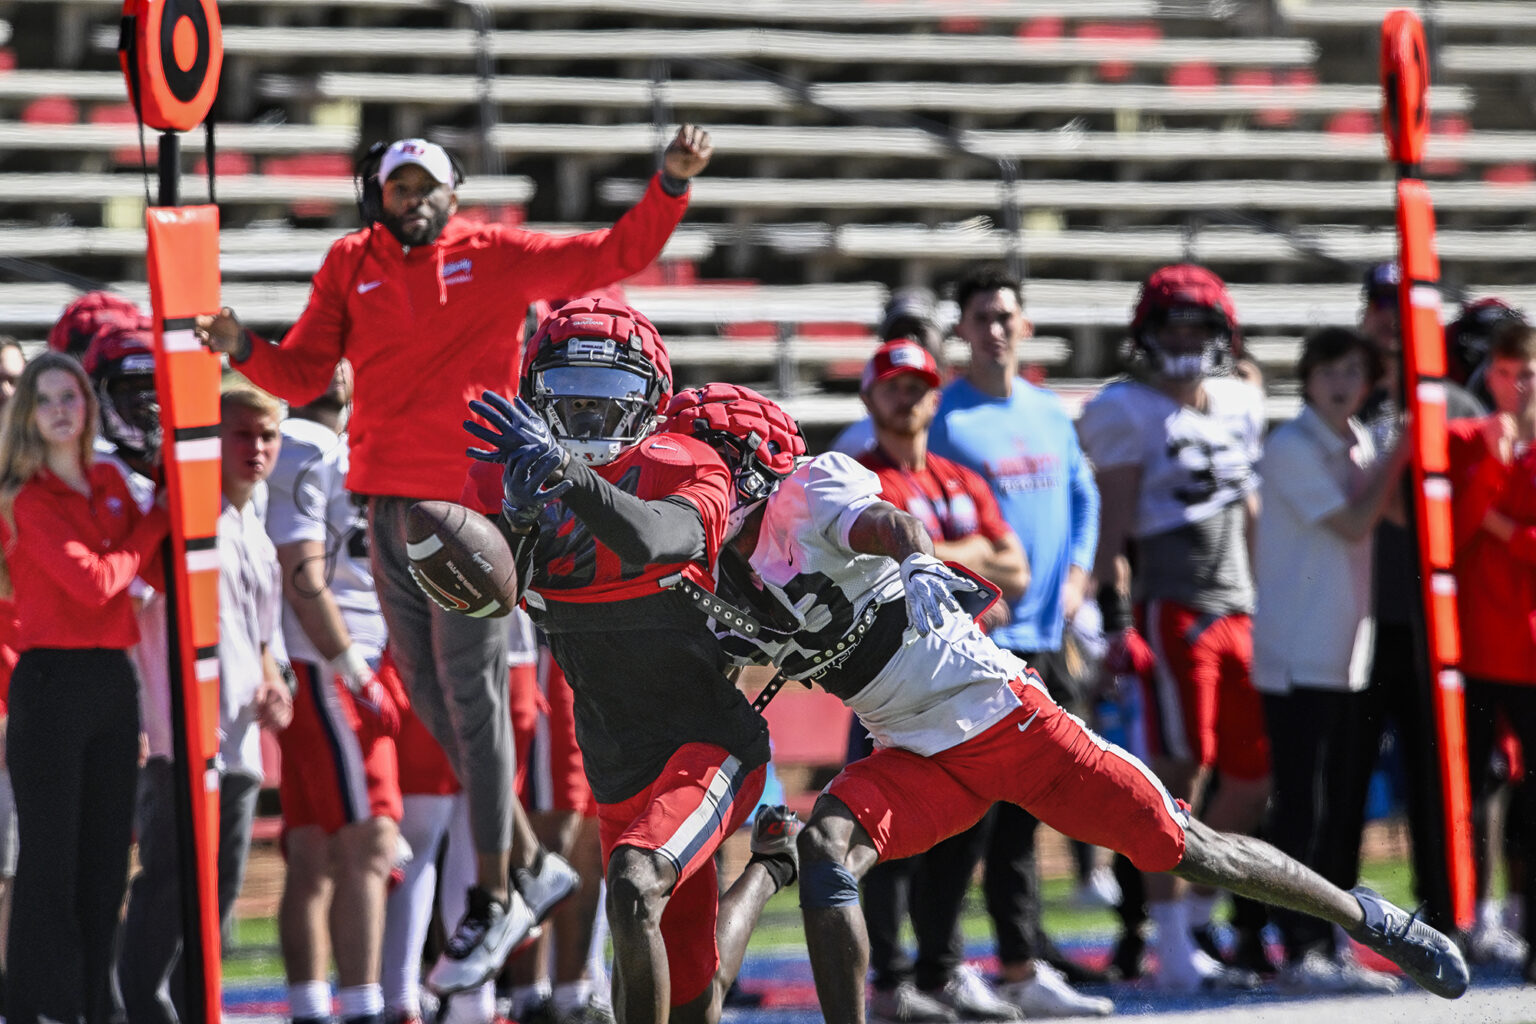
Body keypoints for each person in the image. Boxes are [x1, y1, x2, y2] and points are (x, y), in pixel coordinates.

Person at [659, 385, 1470, 1024]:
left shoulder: (808, 492)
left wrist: (915, 561)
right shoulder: (714, 573)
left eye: (700, 466)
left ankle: (1366, 918)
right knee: (828, 850)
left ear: (749, 460)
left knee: (1193, 850)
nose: (686, 486)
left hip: (1002, 718)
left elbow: (888, 522)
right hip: (909, 746)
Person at [195, 127, 714, 984]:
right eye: (399, 186)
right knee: (428, 692)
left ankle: (497, 887)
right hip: (385, 501)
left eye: (425, 186)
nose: (412, 199)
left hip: (471, 505)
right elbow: (305, 374)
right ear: (379, 192)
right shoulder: (350, 262)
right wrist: (242, 347)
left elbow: (611, 255)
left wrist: (670, 184)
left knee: (470, 696)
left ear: (454, 192)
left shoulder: (493, 253)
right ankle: (528, 862)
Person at [456, 298, 797, 1024]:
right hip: (616, 764)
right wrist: (515, 518)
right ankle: (771, 870)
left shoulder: (685, 461)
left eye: (606, 397)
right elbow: (487, 601)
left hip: (709, 745)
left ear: (651, 400)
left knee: (635, 884)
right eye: (568, 398)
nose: (586, 418)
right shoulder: (509, 478)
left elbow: (651, 539)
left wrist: (565, 477)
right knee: (692, 998)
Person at [852, 339, 1103, 1021]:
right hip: (893, 686)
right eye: (893, 385)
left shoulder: (959, 477)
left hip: (966, 680)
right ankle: (889, 981)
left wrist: (928, 551)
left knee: (971, 833)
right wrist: (968, 559)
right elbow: (883, 565)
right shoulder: (859, 481)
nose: (907, 398)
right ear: (869, 396)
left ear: (936, 397)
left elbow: (1015, 570)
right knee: (887, 834)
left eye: (918, 386)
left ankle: (942, 971)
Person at [1076, 263, 1269, 992]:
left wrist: (1268, 598)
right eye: (1174, 328)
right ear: (1147, 336)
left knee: (1253, 774)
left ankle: (1196, 917)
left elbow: (1250, 511)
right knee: (1179, 770)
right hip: (1175, 607)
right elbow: (1114, 531)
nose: (1186, 341)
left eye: (1199, 328)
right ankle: (1169, 937)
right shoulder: (1126, 410)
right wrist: (1114, 620)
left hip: (1240, 606)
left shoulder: (1239, 400)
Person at [925, 266, 1106, 1008]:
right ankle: (938, 969)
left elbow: (1085, 498)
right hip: (982, 647)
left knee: (1027, 817)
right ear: (962, 331)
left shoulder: (1048, 410)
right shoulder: (947, 418)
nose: (996, 329)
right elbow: (933, 520)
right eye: (982, 317)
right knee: (966, 817)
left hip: (1046, 644)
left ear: (1024, 325)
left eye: (1006, 316)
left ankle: (1021, 967)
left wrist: (1079, 578)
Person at [0, 351, 168, 1024]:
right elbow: (97, 583)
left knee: (106, 864)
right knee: (50, 863)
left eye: (69, 395)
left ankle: (98, 1008)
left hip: (111, 681)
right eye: (44, 399)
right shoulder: (26, 497)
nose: (60, 410)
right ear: (28, 414)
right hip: (49, 684)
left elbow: (140, 571)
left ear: (89, 405)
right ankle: (38, 1009)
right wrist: (157, 521)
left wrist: (157, 514)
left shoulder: (110, 481)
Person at [1252, 326, 1407, 993]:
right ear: (1307, 379)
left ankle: (1325, 939)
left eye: (1353, 371)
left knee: (1340, 805)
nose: (1342, 384)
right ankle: (1296, 944)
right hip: (1297, 652)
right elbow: (1352, 521)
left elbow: (1391, 514)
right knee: (1301, 807)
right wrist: (1401, 452)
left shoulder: (1360, 440)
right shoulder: (1291, 445)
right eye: (1329, 371)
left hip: (1348, 649)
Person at [267, 360, 407, 1024]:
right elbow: (302, 572)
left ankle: (310, 1006)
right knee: (370, 839)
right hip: (329, 661)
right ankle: (362, 1006)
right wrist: (351, 664)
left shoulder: (336, 442)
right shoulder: (303, 443)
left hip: (333, 656)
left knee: (313, 849)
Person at [1358, 262, 1483, 936]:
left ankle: (1453, 914)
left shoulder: (1456, 405)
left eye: (1404, 303)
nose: (1392, 318)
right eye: (1382, 303)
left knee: (1445, 776)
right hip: (1359, 619)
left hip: (1439, 624)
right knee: (1341, 778)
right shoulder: (1345, 396)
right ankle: (1323, 927)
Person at [1448, 320, 1536, 983]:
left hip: (1529, 648)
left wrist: (1501, 526)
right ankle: (1473, 917)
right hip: (1475, 650)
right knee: (1473, 793)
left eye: (1527, 373)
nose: (1517, 386)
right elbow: (1448, 533)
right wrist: (1489, 467)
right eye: (1506, 373)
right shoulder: (1468, 440)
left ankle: (1525, 922)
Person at [217, 383, 296, 943]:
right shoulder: (189, 515)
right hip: (184, 739)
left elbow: (264, 636)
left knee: (224, 887)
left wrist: (276, 685)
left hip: (242, 735)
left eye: (267, 435)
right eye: (242, 435)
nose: (257, 448)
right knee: (170, 888)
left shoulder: (255, 520)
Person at [831, 287, 946, 457]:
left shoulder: (969, 424)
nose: (909, 340)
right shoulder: (856, 444)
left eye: (919, 330)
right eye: (898, 333)